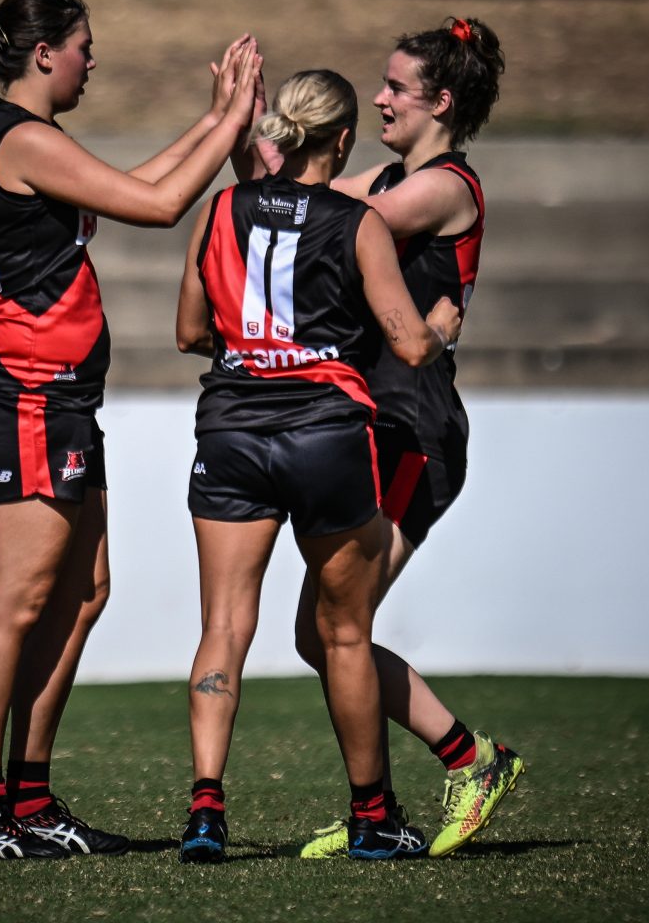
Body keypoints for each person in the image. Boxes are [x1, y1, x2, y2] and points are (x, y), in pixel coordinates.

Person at [0, 0, 261, 860]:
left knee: (82, 595)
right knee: (15, 603)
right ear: (45, 53)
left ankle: (31, 799)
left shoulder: (27, 138)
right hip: (29, 397)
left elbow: (138, 187)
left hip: (59, 402)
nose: (92, 61)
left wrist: (216, 120)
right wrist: (232, 126)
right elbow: (161, 209)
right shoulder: (24, 139)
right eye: (85, 47)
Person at [174, 69, 462, 863]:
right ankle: (372, 817)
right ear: (341, 142)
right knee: (343, 634)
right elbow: (407, 344)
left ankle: (205, 811)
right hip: (327, 437)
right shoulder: (356, 221)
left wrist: (256, 347)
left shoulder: (221, 208)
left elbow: (190, 331)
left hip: (230, 430)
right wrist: (441, 325)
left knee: (224, 627)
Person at [292, 18, 525, 860]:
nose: (381, 97)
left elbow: (329, 215)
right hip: (369, 424)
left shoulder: (443, 185)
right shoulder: (389, 173)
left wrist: (275, 181)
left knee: (336, 628)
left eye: (395, 86)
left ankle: (462, 768)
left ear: (443, 102)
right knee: (321, 634)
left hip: (412, 429)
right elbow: (314, 194)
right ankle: (386, 806)